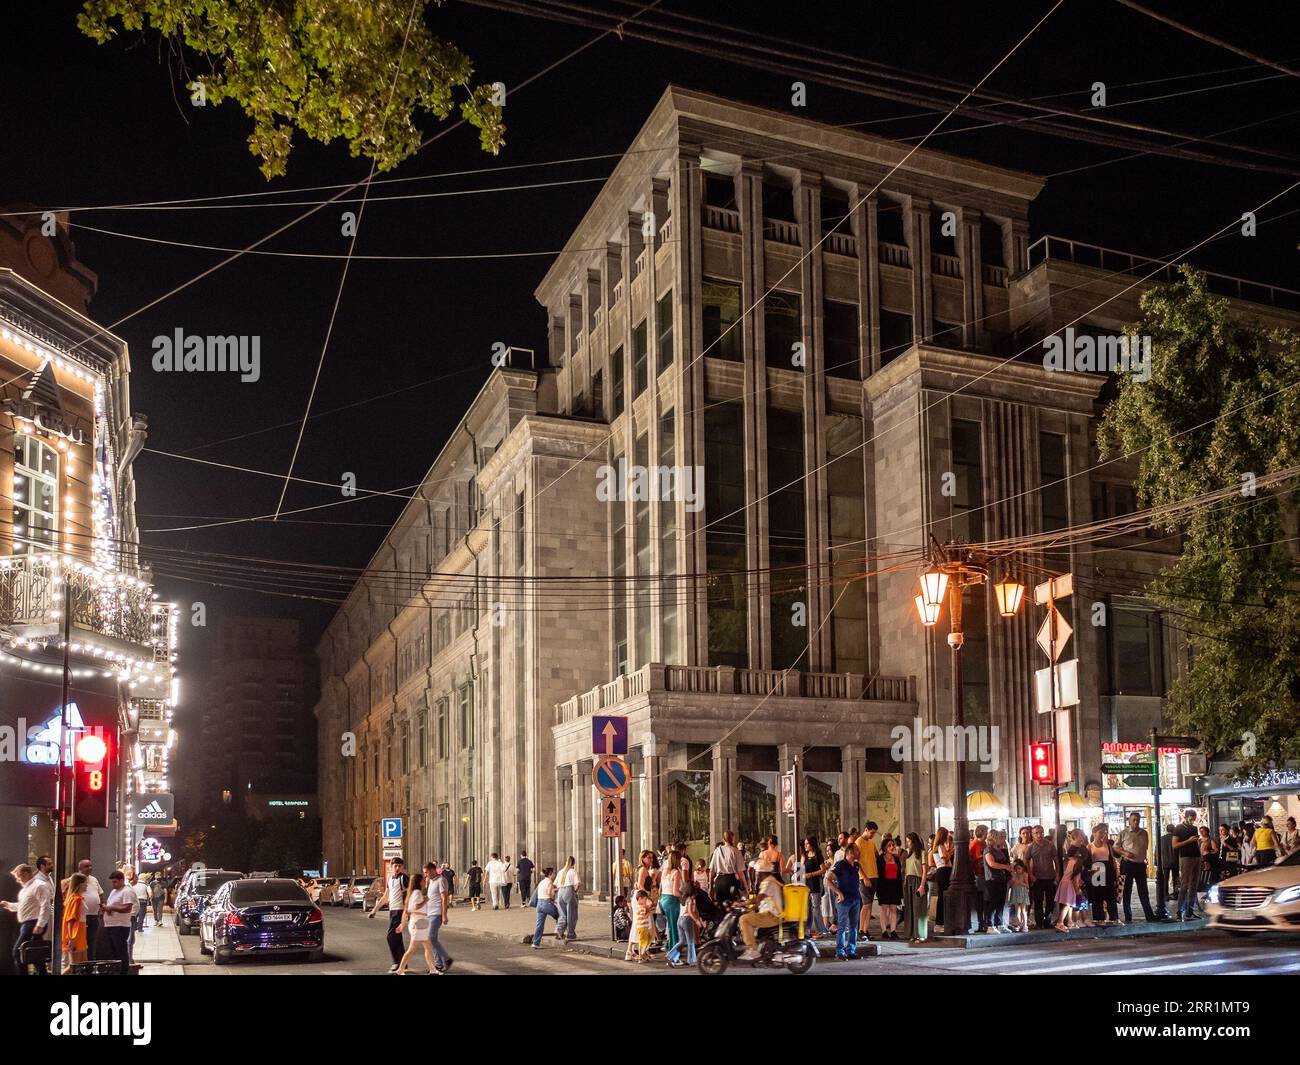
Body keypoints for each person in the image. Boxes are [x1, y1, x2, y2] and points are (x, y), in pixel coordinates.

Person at [3, 863, 52, 975]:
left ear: (26, 874)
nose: (17, 880)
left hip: (32, 924)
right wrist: (9, 905)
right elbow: (23, 906)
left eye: (18, 877)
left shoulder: (39, 885)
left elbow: (46, 905)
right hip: (28, 925)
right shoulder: (26, 889)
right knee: (36, 954)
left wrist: (40, 924)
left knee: (18, 952)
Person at [368, 857, 409, 973]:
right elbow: (386, 897)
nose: (397, 868)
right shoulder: (390, 879)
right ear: (391, 867)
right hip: (393, 911)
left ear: (402, 867)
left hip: (400, 910)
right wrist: (374, 910)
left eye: (399, 866)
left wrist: (408, 910)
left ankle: (397, 963)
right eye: (395, 866)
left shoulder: (404, 878)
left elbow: (411, 892)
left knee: (390, 937)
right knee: (397, 938)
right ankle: (402, 964)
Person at [1115, 812, 1154, 922]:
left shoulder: (1144, 833)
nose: (1136, 822)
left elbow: (1145, 848)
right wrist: (1125, 852)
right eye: (1134, 820)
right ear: (1129, 821)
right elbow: (1115, 847)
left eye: (1137, 820)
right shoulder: (1124, 833)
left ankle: (1149, 915)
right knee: (1127, 890)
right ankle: (1128, 916)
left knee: (1143, 890)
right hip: (1128, 864)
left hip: (1140, 864)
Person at [738, 870, 785, 961]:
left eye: (757, 873)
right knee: (748, 916)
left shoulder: (769, 882)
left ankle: (752, 949)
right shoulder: (769, 882)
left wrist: (742, 903)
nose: (756, 875)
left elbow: (759, 898)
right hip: (768, 913)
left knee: (744, 919)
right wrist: (750, 909)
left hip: (772, 915)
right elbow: (762, 902)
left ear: (762, 873)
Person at [826, 843, 861, 960]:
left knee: (853, 927)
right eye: (856, 850)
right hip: (844, 901)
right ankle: (839, 952)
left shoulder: (856, 865)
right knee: (842, 927)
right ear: (850, 853)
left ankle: (851, 950)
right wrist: (838, 892)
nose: (859, 852)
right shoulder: (840, 864)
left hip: (855, 899)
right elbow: (828, 880)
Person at [65, 859, 103, 960]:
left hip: (91, 918)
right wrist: (71, 937)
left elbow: (100, 894)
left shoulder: (94, 879)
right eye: (86, 866)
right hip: (79, 924)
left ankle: (89, 967)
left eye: (90, 866)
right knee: (76, 959)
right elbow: (70, 919)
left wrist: (101, 907)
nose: (90, 868)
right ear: (80, 868)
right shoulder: (75, 896)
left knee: (90, 947)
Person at [395, 873, 432, 974]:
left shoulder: (414, 893)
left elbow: (406, 911)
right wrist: (426, 900)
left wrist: (402, 924)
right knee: (412, 949)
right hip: (419, 923)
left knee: (428, 946)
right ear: (419, 882)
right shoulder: (417, 893)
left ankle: (433, 969)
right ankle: (400, 969)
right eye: (424, 880)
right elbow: (416, 907)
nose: (425, 882)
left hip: (420, 922)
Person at [420, 862, 454, 973]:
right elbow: (430, 898)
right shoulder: (431, 881)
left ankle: (446, 959)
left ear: (432, 870)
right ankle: (438, 964)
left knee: (430, 937)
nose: (425, 875)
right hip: (430, 913)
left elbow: (444, 898)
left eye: (426, 872)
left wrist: (444, 915)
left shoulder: (441, 880)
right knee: (432, 939)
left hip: (437, 914)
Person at [102, 871, 136, 973]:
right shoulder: (114, 892)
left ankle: (123, 971)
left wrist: (111, 907)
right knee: (114, 951)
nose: (113, 884)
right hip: (111, 925)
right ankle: (116, 970)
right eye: (112, 882)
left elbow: (127, 908)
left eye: (115, 882)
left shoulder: (127, 891)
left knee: (121, 951)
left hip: (120, 926)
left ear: (122, 880)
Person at [1026, 824, 1058, 930]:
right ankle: (1039, 922)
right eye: (1036, 833)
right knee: (1038, 901)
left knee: (1050, 901)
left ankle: (1047, 920)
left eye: (1041, 832)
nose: (1039, 835)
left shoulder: (1050, 845)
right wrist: (1030, 874)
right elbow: (1026, 861)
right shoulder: (1030, 847)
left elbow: (1056, 860)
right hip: (1037, 878)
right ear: (1033, 834)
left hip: (1050, 876)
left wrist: (1058, 874)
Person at [1053, 832, 1086, 932]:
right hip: (1069, 884)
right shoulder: (1078, 864)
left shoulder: (1072, 861)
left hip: (1065, 883)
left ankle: (1070, 922)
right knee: (1067, 904)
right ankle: (1060, 923)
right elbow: (1075, 879)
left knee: (1070, 903)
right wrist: (1078, 890)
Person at [1087, 825, 1120, 925]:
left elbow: (1112, 858)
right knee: (1097, 895)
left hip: (1107, 870)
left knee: (1110, 894)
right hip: (1097, 869)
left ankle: (1113, 917)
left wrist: (1116, 872)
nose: (1103, 834)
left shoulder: (1108, 845)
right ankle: (1098, 918)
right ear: (1094, 833)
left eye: (1105, 832)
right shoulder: (1090, 846)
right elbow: (1087, 861)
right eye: (1101, 832)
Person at [1172, 810, 1201, 920]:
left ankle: (1190, 910)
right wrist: (1189, 841)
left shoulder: (1194, 828)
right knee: (1184, 884)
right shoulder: (1179, 828)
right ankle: (1180, 910)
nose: (1193, 819)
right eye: (1191, 817)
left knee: (1194, 884)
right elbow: (1175, 845)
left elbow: (1195, 843)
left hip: (1196, 857)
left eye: (1194, 817)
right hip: (1186, 857)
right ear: (1186, 817)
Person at [658, 845, 685, 958]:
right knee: (674, 927)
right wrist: (684, 895)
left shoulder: (664, 871)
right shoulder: (676, 872)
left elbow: (661, 887)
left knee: (670, 925)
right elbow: (675, 892)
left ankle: (670, 946)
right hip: (672, 900)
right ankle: (674, 952)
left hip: (664, 899)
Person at [853, 822, 879, 940]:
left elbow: (876, 856)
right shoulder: (858, 842)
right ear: (866, 830)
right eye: (872, 832)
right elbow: (856, 862)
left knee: (869, 905)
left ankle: (866, 929)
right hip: (864, 878)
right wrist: (864, 877)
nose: (873, 835)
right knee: (866, 904)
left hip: (874, 875)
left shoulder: (872, 843)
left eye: (874, 833)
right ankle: (861, 930)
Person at [902, 833, 929, 943]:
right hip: (908, 881)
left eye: (909, 841)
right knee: (910, 908)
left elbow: (925, 871)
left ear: (914, 842)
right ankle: (912, 933)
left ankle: (921, 934)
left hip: (918, 881)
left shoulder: (922, 853)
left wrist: (922, 886)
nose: (907, 843)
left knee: (919, 908)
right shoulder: (909, 854)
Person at [667, 882, 702, 967]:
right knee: (690, 941)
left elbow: (692, 910)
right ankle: (691, 960)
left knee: (682, 941)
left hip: (680, 920)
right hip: (687, 920)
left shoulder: (682, 898)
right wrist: (696, 920)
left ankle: (671, 955)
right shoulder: (691, 899)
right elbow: (690, 911)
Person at [60, 873, 89, 974]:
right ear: (80, 884)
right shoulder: (75, 899)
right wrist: (71, 938)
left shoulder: (76, 898)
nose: (87, 885)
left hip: (80, 931)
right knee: (74, 965)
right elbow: (70, 920)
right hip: (76, 933)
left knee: (82, 963)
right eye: (85, 883)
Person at [875, 837, 903, 939]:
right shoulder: (880, 859)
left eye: (893, 845)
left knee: (893, 909)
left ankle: (893, 930)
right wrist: (878, 889)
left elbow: (899, 874)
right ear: (885, 848)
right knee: (884, 909)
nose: (892, 847)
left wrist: (900, 889)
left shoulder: (896, 858)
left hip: (895, 885)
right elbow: (878, 874)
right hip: (884, 886)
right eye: (889, 845)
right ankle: (884, 931)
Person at [707, 831, 745, 904]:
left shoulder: (717, 850)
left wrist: (710, 887)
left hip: (719, 881)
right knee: (733, 906)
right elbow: (741, 873)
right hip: (731, 880)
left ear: (723, 839)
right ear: (733, 839)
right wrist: (746, 888)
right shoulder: (736, 851)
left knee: (721, 906)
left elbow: (711, 871)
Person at [930, 826, 954, 932]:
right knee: (942, 898)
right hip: (944, 872)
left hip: (943, 872)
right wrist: (952, 851)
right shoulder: (940, 846)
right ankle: (939, 923)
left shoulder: (938, 846)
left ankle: (941, 922)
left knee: (943, 898)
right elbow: (945, 860)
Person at [531, 867, 560, 948]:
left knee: (539, 924)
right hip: (546, 903)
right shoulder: (550, 882)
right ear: (550, 874)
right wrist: (553, 897)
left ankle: (535, 943)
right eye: (554, 873)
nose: (554, 875)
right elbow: (549, 892)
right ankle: (558, 932)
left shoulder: (542, 882)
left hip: (539, 904)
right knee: (560, 916)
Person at [968, 824, 989, 933]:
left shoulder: (984, 843)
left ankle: (985, 922)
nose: (987, 834)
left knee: (986, 900)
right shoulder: (974, 844)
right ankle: (981, 922)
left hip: (985, 874)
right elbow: (971, 860)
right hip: (979, 874)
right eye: (986, 831)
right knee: (981, 900)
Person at [555, 856, 581, 941]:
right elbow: (577, 884)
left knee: (562, 914)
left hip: (560, 892)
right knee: (571, 914)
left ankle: (560, 931)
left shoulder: (560, 872)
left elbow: (555, 884)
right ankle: (570, 933)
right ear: (573, 864)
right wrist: (575, 891)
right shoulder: (573, 871)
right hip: (569, 891)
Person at [627, 888, 654, 962]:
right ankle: (641, 955)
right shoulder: (642, 907)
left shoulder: (639, 907)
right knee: (643, 941)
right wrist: (649, 912)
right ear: (639, 899)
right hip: (643, 927)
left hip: (642, 927)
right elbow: (644, 916)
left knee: (644, 940)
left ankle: (642, 954)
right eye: (645, 899)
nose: (646, 901)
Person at [1008, 860, 1031, 933]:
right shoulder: (1014, 875)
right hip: (1016, 893)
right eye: (1016, 869)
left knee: (1023, 910)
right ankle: (1018, 924)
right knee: (1017, 910)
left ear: (1023, 868)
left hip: (1022, 893)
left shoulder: (1025, 874)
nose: (1018, 870)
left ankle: (1024, 925)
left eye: (1019, 868)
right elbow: (1011, 883)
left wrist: (1020, 883)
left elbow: (1027, 885)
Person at [1159, 822, 1179, 902]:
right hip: (1175, 861)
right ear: (1174, 830)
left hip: (1165, 861)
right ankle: (1175, 894)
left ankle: (1165, 894)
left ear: (1167, 830)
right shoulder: (1176, 838)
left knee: (1165, 879)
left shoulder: (1161, 838)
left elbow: (1157, 850)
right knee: (1175, 879)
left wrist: (1157, 862)